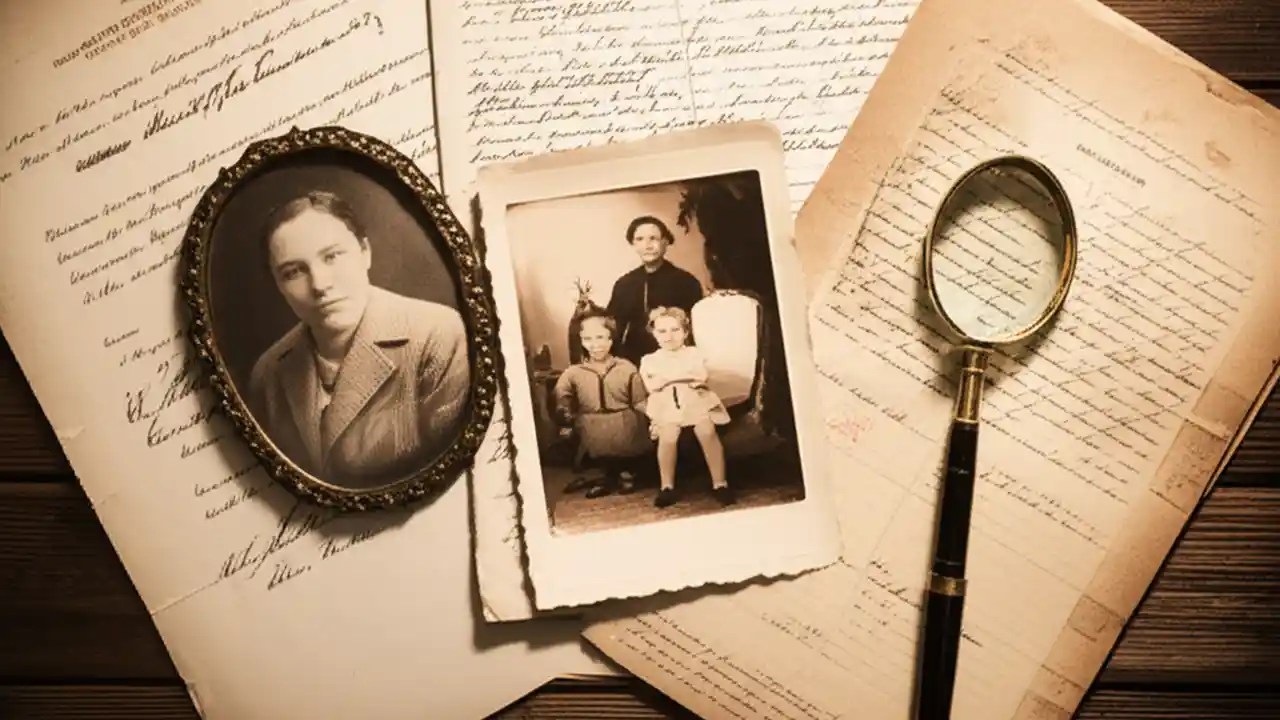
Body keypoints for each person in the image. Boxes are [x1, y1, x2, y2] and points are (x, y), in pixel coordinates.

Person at [246, 190, 470, 490]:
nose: (320, 284)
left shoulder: (438, 335)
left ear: (365, 252)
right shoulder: (269, 372)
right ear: (278, 284)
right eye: (294, 271)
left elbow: (452, 478)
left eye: (332, 256)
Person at [639, 306, 734, 508]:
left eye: (675, 330)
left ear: (685, 332)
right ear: (653, 334)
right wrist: (681, 377)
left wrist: (669, 379)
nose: (669, 336)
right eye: (662, 331)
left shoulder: (694, 353)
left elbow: (700, 377)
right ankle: (667, 486)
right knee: (668, 436)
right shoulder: (650, 360)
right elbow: (652, 385)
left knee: (707, 431)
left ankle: (720, 483)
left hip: (695, 400)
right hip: (666, 404)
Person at [552, 311, 651, 498]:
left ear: (611, 339)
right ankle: (605, 476)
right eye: (588, 339)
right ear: (581, 341)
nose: (595, 344)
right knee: (587, 434)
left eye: (600, 337)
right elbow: (561, 396)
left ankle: (625, 472)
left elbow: (639, 401)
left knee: (630, 430)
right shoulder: (573, 372)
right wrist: (564, 414)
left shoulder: (626, 367)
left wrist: (655, 419)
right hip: (592, 426)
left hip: (624, 425)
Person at [606, 215, 704, 367]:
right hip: (633, 361)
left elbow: (697, 329)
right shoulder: (624, 284)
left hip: (676, 360)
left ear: (665, 242)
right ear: (633, 244)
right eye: (639, 239)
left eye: (653, 238)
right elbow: (613, 328)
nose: (647, 245)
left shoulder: (686, 282)